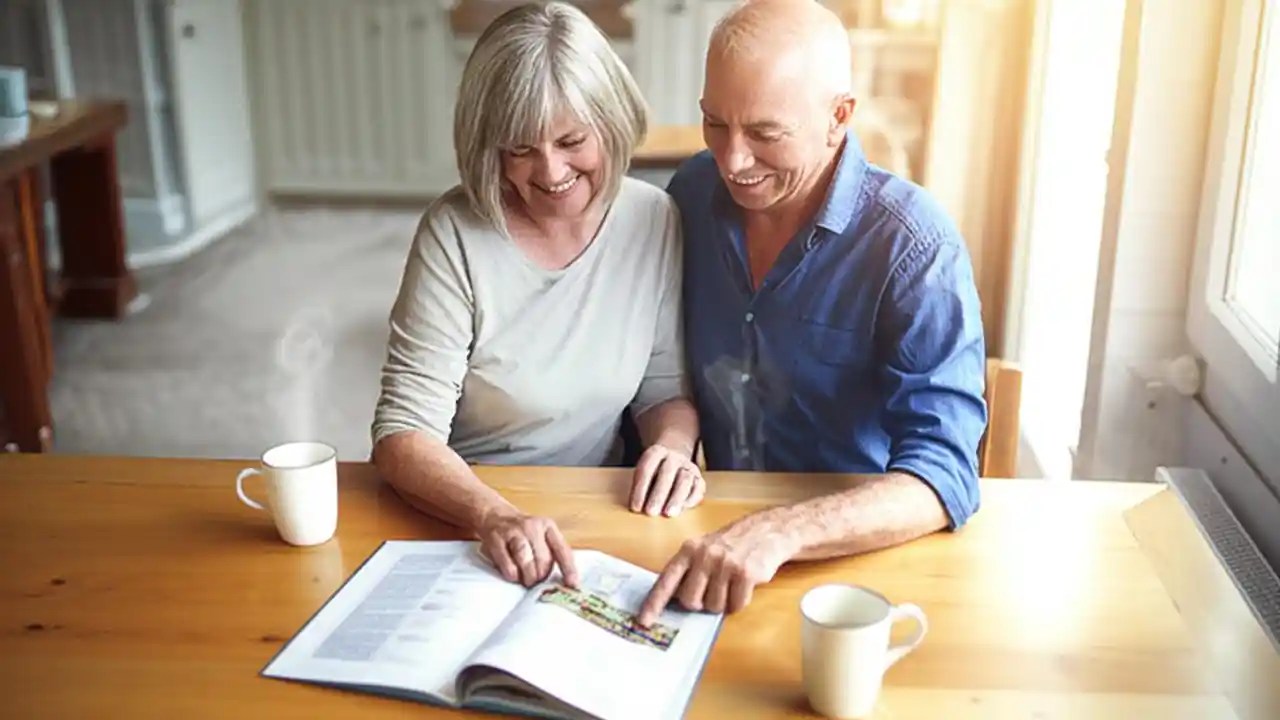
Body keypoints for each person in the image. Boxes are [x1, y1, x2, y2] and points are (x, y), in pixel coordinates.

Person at [636, 0, 987, 626]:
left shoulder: (914, 245)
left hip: (856, 572)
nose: (731, 160)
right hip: (714, 542)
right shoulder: (688, 195)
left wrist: (781, 533)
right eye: (714, 123)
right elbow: (656, 361)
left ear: (838, 118)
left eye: (766, 134)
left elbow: (945, 475)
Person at [371, 2, 704, 592]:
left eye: (572, 140)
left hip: (597, 509)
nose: (550, 171)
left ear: (612, 121)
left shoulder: (653, 217)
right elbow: (404, 435)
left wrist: (674, 451)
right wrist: (491, 513)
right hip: (466, 515)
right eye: (519, 148)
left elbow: (663, 391)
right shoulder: (454, 233)